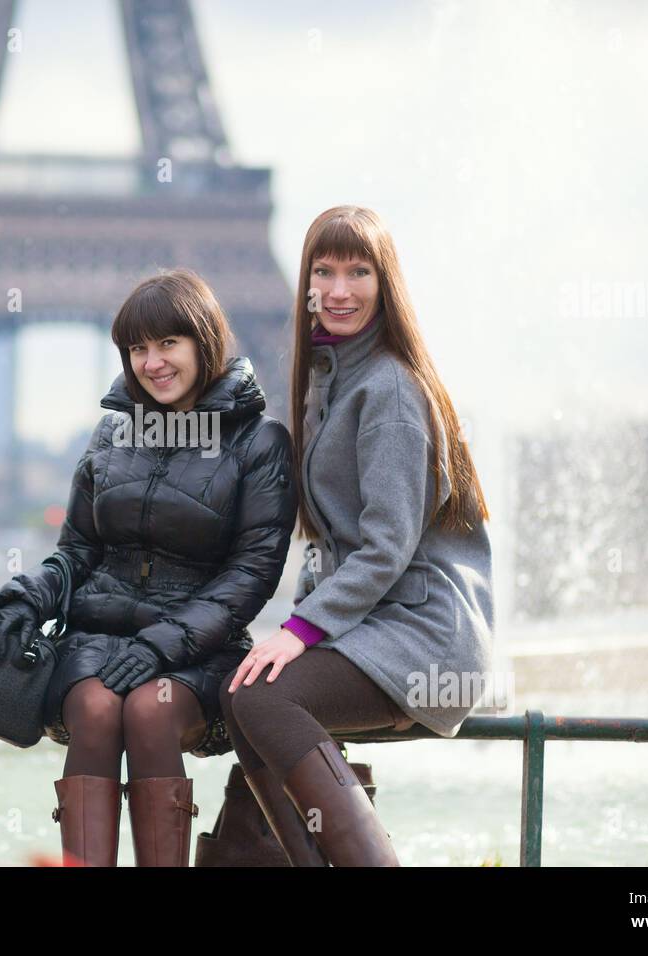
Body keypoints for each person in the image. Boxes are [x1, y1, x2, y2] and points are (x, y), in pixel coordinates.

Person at [0, 269, 296, 866]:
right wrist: (26, 597)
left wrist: (161, 645)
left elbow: (252, 572)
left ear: (205, 342)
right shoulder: (110, 432)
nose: (152, 362)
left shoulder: (260, 443)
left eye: (167, 343)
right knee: (96, 710)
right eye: (137, 348)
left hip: (198, 647)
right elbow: (75, 552)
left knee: (152, 712)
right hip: (96, 639)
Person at [221, 205, 495, 867]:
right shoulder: (333, 383)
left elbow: (386, 546)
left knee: (258, 695)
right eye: (325, 271)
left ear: (385, 282)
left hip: (427, 638)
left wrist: (301, 631)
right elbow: (332, 548)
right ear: (307, 284)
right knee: (243, 700)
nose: (340, 289)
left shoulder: (391, 389)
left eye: (358, 271)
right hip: (384, 629)